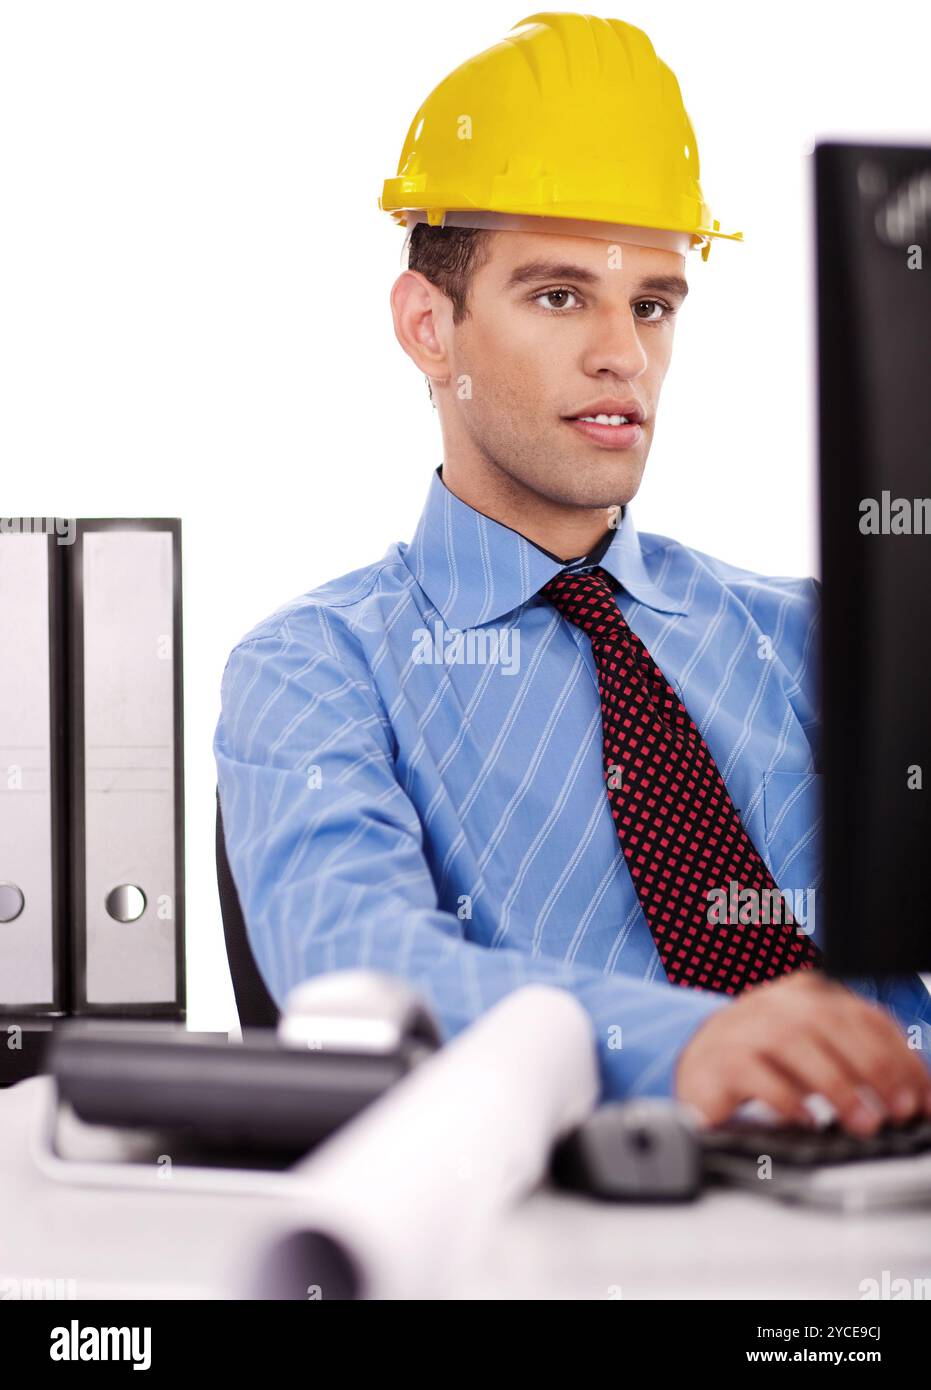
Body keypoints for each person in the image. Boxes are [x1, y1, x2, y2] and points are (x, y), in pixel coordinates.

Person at [214, 13, 931, 1133]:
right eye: (560, 296)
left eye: (652, 304)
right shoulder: (317, 667)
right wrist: (692, 1043)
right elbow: (352, 970)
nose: (623, 353)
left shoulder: (811, 636)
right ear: (427, 328)